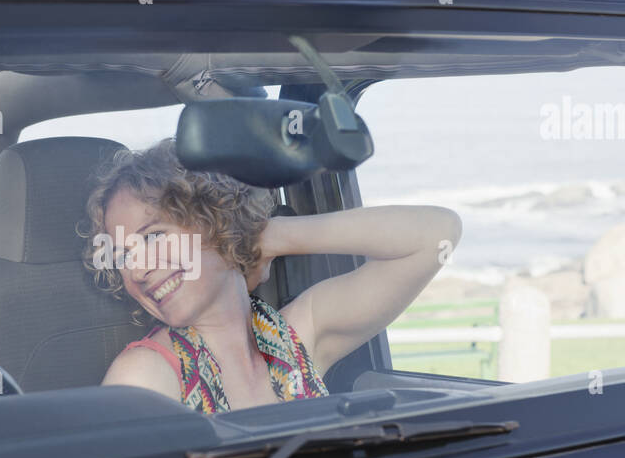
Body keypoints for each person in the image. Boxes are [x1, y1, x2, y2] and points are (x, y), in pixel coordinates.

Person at [82, 139, 461, 413]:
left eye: (152, 237)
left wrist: (263, 235)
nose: (138, 269)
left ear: (212, 219)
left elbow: (437, 234)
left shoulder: (298, 337)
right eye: (122, 254)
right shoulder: (145, 377)